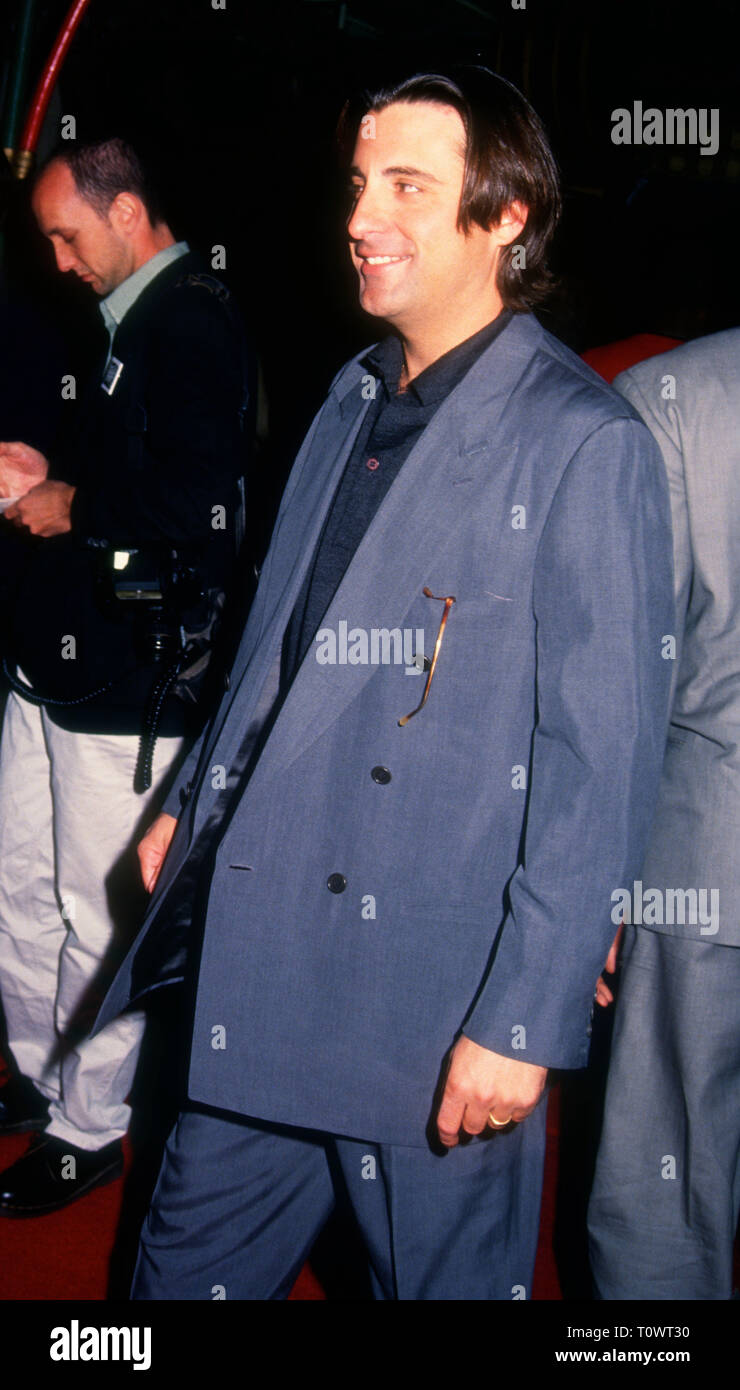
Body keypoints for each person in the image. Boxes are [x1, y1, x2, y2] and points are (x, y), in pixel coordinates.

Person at [96, 68, 674, 1300]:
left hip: (428, 1010)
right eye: (360, 183)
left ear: (506, 215)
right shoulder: (351, 392)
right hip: (267, 965)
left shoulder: (583, 442)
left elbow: (599, 763)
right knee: (171, 1282)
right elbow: (277, 645)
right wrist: (193, 801)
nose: (362, 215)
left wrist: (521, 1021)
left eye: (406, 185)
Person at [0, 137, 250, 1215]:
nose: (57, 259)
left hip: (129, 687)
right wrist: (48, 476)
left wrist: (74, 508)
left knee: (96, 912)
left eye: (67, 234)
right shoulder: (130, 319)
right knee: (21, 886)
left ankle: (91, 1124)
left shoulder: (192, 316)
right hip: (57, 668)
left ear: (129, 212)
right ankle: (34, 1069)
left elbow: (211, 513)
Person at [588, 329, 740, 1300]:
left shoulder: (674, 398)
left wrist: (592, 887)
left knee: (667, 1184)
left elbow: (623, 688)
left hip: (702, 873)